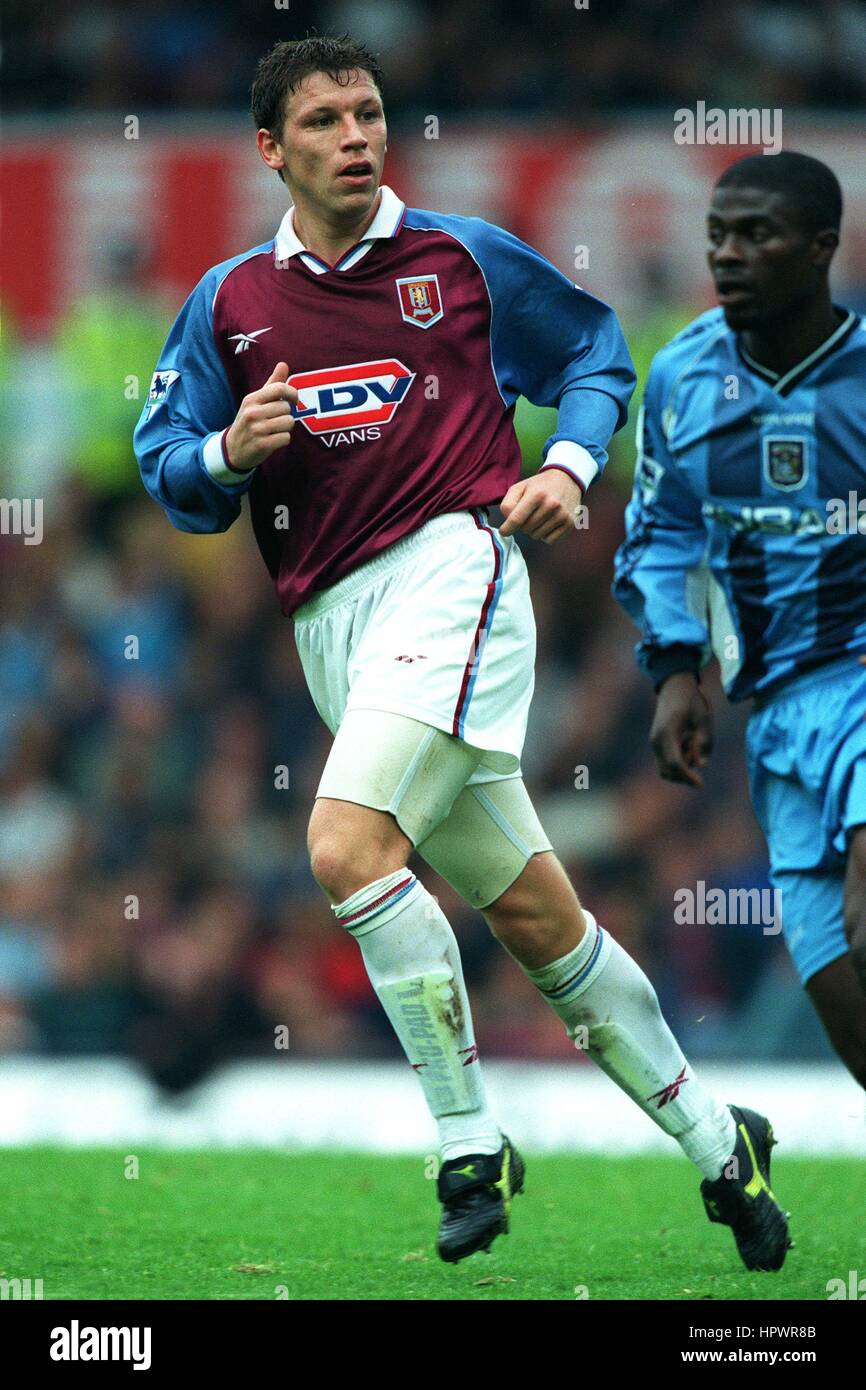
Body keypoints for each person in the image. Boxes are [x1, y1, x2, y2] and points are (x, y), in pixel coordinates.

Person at [135, 34, 789, 1272]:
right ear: (270, 148)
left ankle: (465, 1142)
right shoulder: (226, 303)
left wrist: (565, 464)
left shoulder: (462, 259)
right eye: (323, 120)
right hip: (332, 625)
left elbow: (597, 354)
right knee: (541, 921)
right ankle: (720, 1143)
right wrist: (227, 450)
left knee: (340, 842)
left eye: (369, 113)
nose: (355, 136)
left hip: (456, 570)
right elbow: (168, 464)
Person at [614, 151, 866, 1096]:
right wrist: (675, 669)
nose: (728, 253)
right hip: (778, 715)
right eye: (719, 234)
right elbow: (662, 530)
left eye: (756, 234)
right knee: (844, 1002)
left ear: (821, 249)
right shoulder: (683, 376)